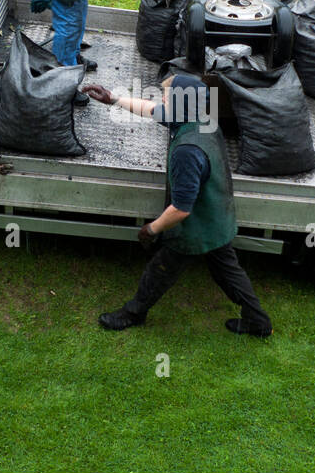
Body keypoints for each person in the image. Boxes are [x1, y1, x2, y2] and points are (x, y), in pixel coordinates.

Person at [80, 75, 273, 337]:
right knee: (227, 273)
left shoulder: (187, 151)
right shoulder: (201, 120)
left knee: (161, 269)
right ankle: (258, 322)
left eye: (167, 96)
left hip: (193, 227)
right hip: (217, 217)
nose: (161, 99)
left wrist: (152, 229)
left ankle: (134, 312)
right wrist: (113, 99)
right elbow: (150, 110)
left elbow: (182, 208)